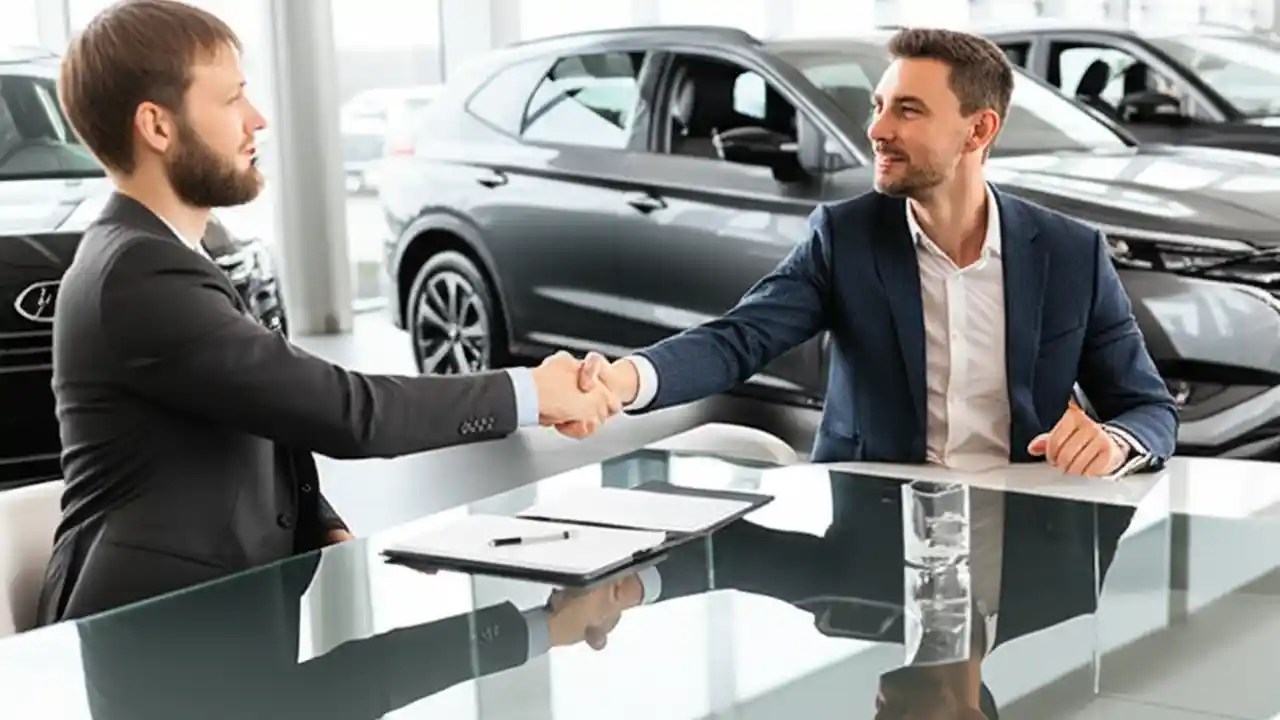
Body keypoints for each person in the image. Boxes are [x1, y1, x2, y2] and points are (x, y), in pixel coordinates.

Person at [38, 0, 618, 625]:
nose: (256, 120)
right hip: (148, 638)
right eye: (232, 100)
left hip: (212, 623)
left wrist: (319, 523)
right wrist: (533, 392)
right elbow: (349, 412)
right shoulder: (138, 274)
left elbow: (262, 404)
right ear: (157, 126)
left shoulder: (163, 253)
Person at [569, 27, 1177, 476]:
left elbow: (1148, 409)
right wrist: (624, 379)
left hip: (1027, 522)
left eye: (908, 111)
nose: (878, 130)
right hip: (876, 526)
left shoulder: (1071, 253)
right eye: (878, 107)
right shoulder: (844, 237)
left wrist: (1116, 443)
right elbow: (738, 340)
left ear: (979, 130)